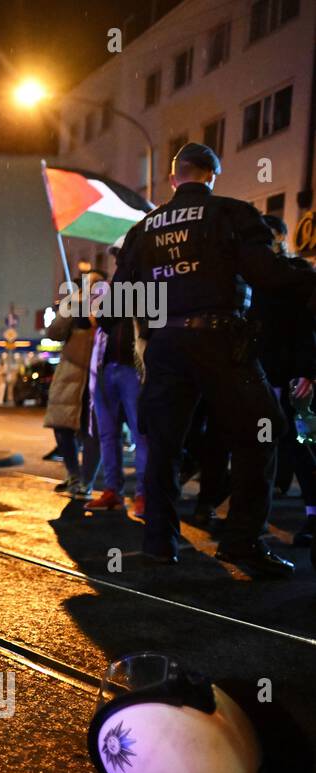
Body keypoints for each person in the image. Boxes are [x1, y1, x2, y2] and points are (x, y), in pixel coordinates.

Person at [112, 142, 316, 576]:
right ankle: (242, 543)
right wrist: (306, 275)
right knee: (262, 431)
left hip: (166, 345)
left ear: (173, 178)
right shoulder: (230, 212)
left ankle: (159, 542)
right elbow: (266, 274)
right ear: (212, 176)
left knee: (164, 444)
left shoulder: (143, 229)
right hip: (221, 341)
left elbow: (119, 301)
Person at [252, 214, 316, 546]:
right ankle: (253, 518)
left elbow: (308, 329)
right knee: (263, 446)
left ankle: (312, 514)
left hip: (293, 376)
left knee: (301, 446)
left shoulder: (299, 277)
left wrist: (307, 371)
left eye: (270, 237)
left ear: (281, 238)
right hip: (263, 373)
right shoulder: (252, 279)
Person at [86, 293, 147, 516]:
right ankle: (112, 491)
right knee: (108, 434)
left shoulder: (143, 288)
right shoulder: (107, 296)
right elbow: (85, 321)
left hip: (133, 369)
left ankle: (144, 494)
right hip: (105, 367)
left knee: (140, 433)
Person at [43, 277, 101, 499]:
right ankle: (73, 475)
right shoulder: (73, 307)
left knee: (92, 432)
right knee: (62, 427)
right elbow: (54, 333)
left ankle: (86, 482)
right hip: (69, 378)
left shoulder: (108, 306)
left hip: (94, 378)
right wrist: (69, 307)